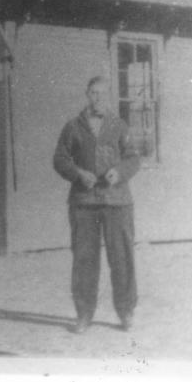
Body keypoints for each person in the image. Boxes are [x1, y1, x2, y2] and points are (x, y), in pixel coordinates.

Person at [53, 75, 141, 334]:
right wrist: (78, 174)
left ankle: (125, 312)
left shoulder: (120, 126)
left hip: (117, 202)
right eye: (93, 92)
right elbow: (59, 159)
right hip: (84, 202)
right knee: (84, 260)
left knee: (122, 257)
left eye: (102, 93)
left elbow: (134, 158)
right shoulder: (73, 127)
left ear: (109, 96)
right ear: (87, 95)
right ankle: (83, 314)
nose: (98, 97)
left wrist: (120, 172)